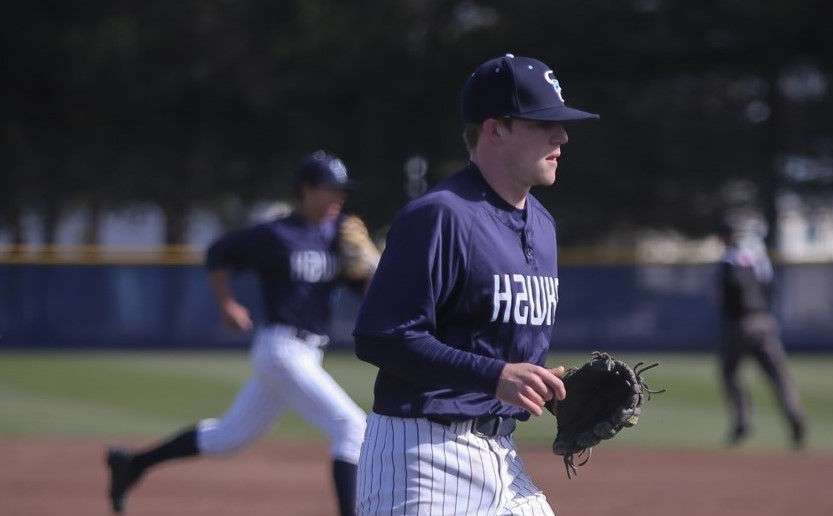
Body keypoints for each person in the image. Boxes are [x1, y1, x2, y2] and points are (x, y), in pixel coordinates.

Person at [352, 53, 599, 515]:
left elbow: (496, 352)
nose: (561, 136)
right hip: (423, 459)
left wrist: (543, 389)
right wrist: (494, 376)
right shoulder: (441, 215)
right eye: (542, 122)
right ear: (494, 129)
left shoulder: (542, 226)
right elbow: (380, 336)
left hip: (502, 458)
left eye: (561, 124)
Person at [105, 150, 381, 516]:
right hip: (282, 348)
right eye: (331, 189)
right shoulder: (276, 234)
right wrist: (226, 305)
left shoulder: (340, 236)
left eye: (342, 190)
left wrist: (372, 270)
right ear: (306, 189)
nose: (339, 197)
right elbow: (218, 253)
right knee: (351, 427)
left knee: (226, 439)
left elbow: (367, 290)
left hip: (307, 352)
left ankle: (133, 463)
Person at [715, 218, 807, 449]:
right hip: (765, 321)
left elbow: (724, 293)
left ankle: (743, 420)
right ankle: (794, 415)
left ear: (723, 238)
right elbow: (770, 288)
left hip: (740, 325)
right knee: (778, 376)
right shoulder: (758, 259)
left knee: (729, 374)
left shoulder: (728, 261)